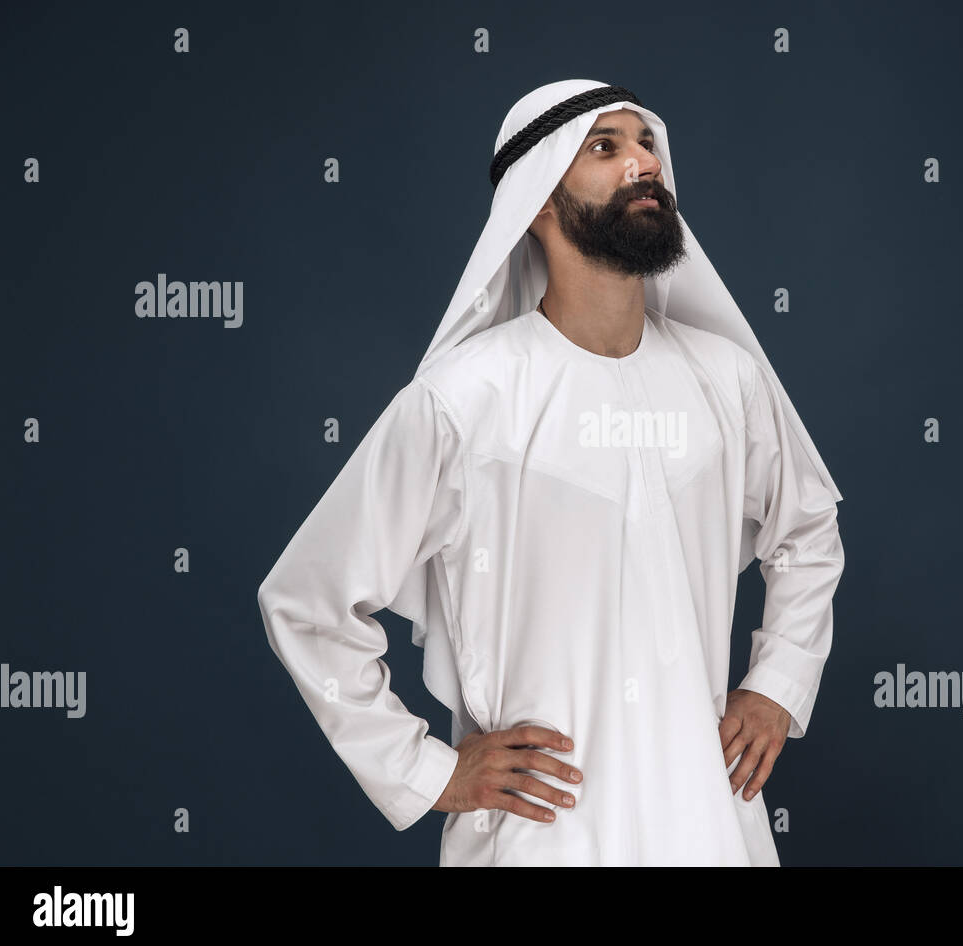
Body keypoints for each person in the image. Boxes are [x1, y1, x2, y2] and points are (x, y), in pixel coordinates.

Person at [256, 80, 846, 866]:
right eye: (605, 147)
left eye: (645, 143)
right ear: (536, 201)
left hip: (708, 823)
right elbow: (307, 602)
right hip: (543, 838)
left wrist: (778, 683)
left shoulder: (726, 380)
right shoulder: (464, 400)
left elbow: (807, 527)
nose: (643, 162)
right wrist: (424, 770)